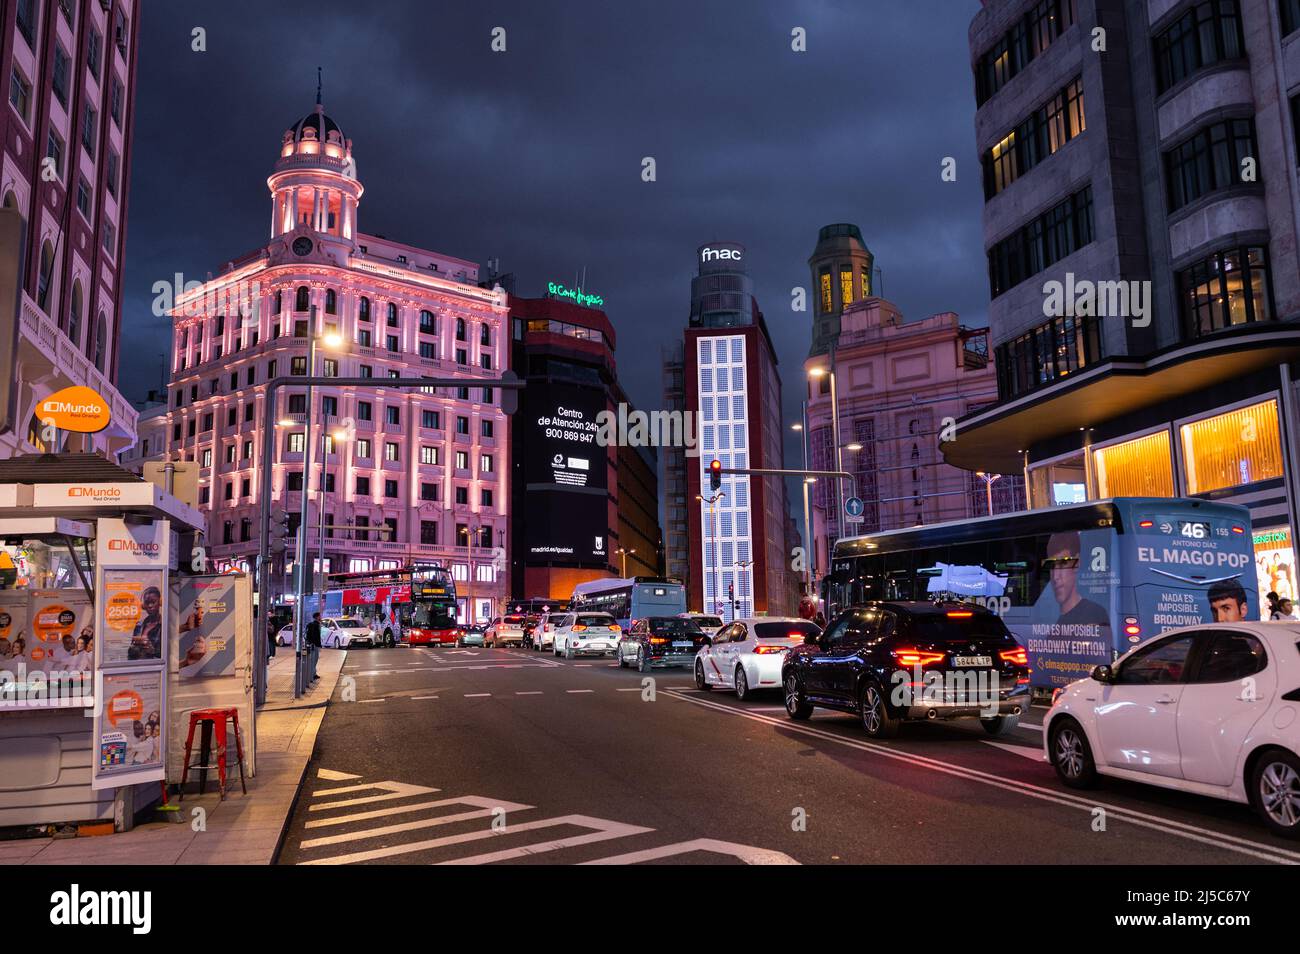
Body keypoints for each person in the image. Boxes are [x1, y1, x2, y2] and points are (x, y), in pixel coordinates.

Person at [306, 612, 322, 683]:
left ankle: (313, 673)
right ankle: (312, 675)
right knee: (314, 660)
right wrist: (317, 644)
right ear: (317, 617)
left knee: (314, 660)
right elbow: (315, 636)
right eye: (319, 616)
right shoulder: (315, 625)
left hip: (313, 644)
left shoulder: (314, 624)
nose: (320, 617)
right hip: (314, 645)